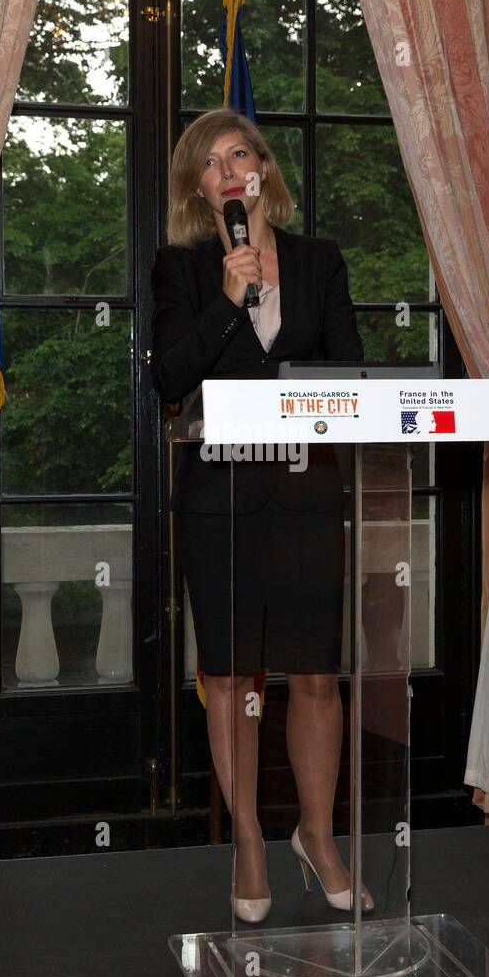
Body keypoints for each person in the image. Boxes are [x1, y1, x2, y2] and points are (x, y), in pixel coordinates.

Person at [150, 108, 372, 922]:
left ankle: (318, 835)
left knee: (314, 673)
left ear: (265, 169)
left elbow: (348, 368)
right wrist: (229, 300)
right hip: (221, 499)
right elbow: (170, 377)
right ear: (199, 190)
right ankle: (247, 839)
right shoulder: (182, 269)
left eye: (240, 153)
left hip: (306, 493)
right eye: (211, 163)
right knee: (233, 678)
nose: (230, 169)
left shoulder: (320, 261)